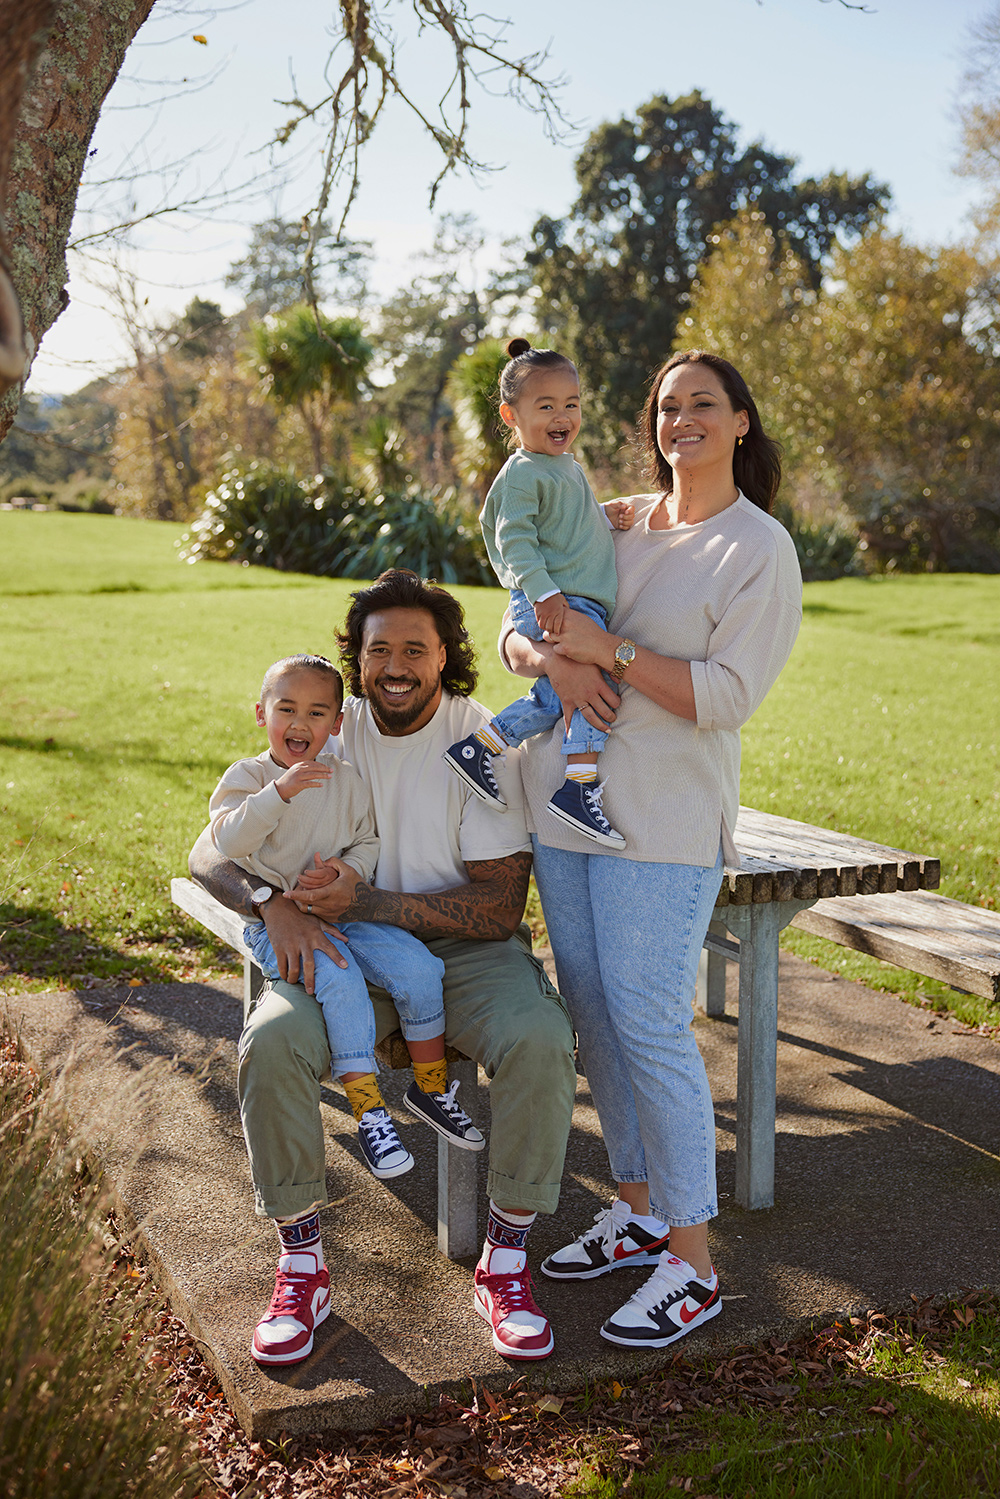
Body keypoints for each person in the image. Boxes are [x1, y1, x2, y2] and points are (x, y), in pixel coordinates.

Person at [188, 570, 577, 1367]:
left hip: (464, 954)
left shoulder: (479, 739)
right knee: (271, 1043)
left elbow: (499, 908)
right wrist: (271, 903)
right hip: (344, 956)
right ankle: (302, 1263)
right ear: (356, 660)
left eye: (414, 649)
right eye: (378, 650)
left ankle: (504, 1258)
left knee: (541, 1034)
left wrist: (366, 901)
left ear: (445, 657)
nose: (395, 665)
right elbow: (204, 849)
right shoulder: (326, 726)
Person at [502, 350, 802, 1349]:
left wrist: (612, 653)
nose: (681, 421)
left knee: (648, 1021)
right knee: (592, 1015)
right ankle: (635, 1209)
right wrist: (548, 654)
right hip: (565, 812)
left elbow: (726, 696)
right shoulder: (612, 519)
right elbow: (519, 622)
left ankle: (694, 1263)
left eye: (702, 405)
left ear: (741, 422)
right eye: (667, 407)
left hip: (665, 826)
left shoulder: (755, 549)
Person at [208, 652, 484, 1185]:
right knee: (340, 978)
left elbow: (367, 842)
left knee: (421, 968)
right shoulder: (249, 777)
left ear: (336, 724)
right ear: (261, 714)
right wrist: (279, 793)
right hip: (278, 925)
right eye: (286, 709)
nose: (300, 723)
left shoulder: (347, 779)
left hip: (344, 912)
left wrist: (347, 870)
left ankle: (430, 1087)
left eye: (316, 713)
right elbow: (228, 839)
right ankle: (369, 1111)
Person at [444, 337, 633, 850]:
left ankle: (482, 747)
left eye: (571, 405)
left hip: (566, 600)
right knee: (599, 689)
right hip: (554, 601)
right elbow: (517, 538)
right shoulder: (526, 471)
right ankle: (578, 788)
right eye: (545, 406)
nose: (561, 416)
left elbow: (564, 527)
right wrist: (545, 594)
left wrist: (603, 514)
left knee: (554, 698)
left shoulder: (564, 467)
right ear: (511, 415)